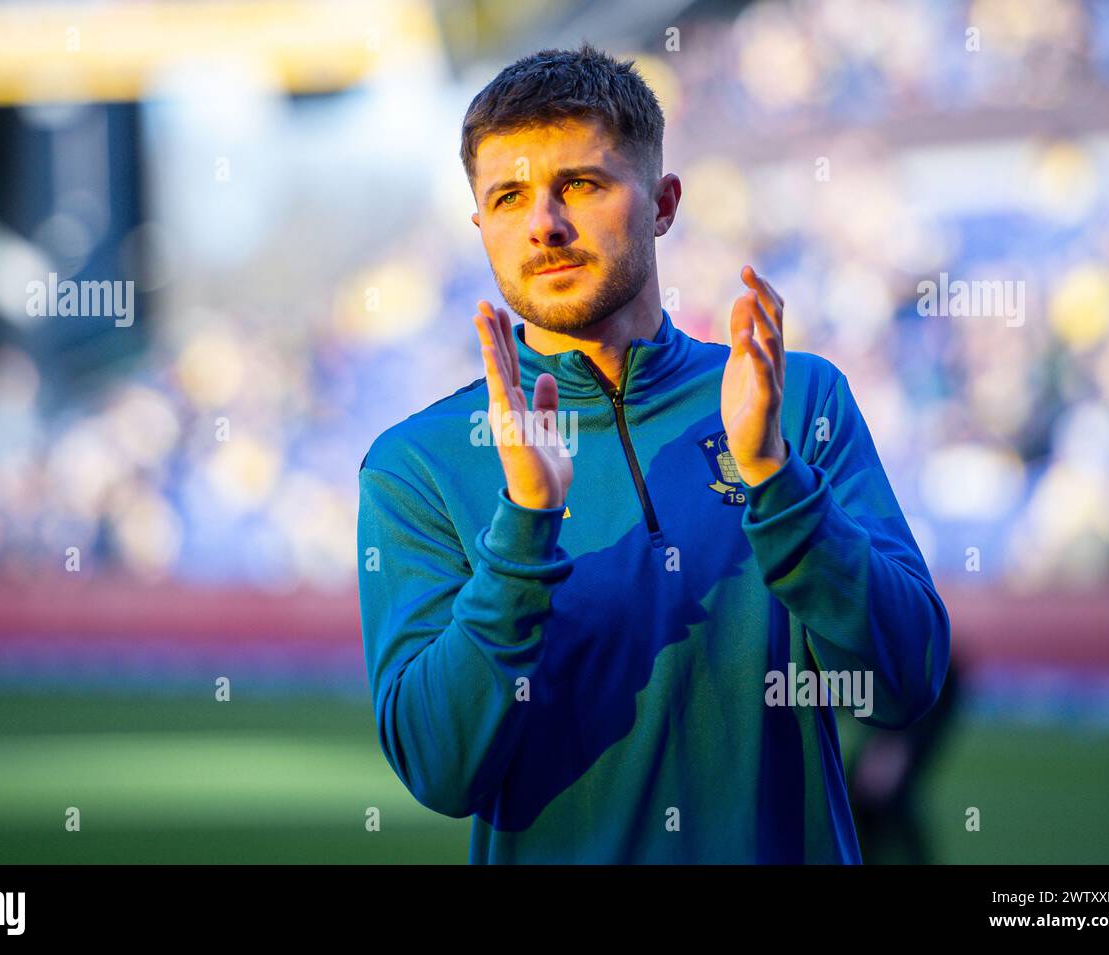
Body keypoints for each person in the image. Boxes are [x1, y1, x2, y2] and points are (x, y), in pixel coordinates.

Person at [356, 43, 950, 863]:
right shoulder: (416, 465)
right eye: (509, 196)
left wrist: (776, 477)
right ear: (480, 227)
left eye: (582, 185)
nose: (544, 223)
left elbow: (904, 682)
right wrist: (523, 527)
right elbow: (438, 767)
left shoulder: (797, 398)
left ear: (664, 202)